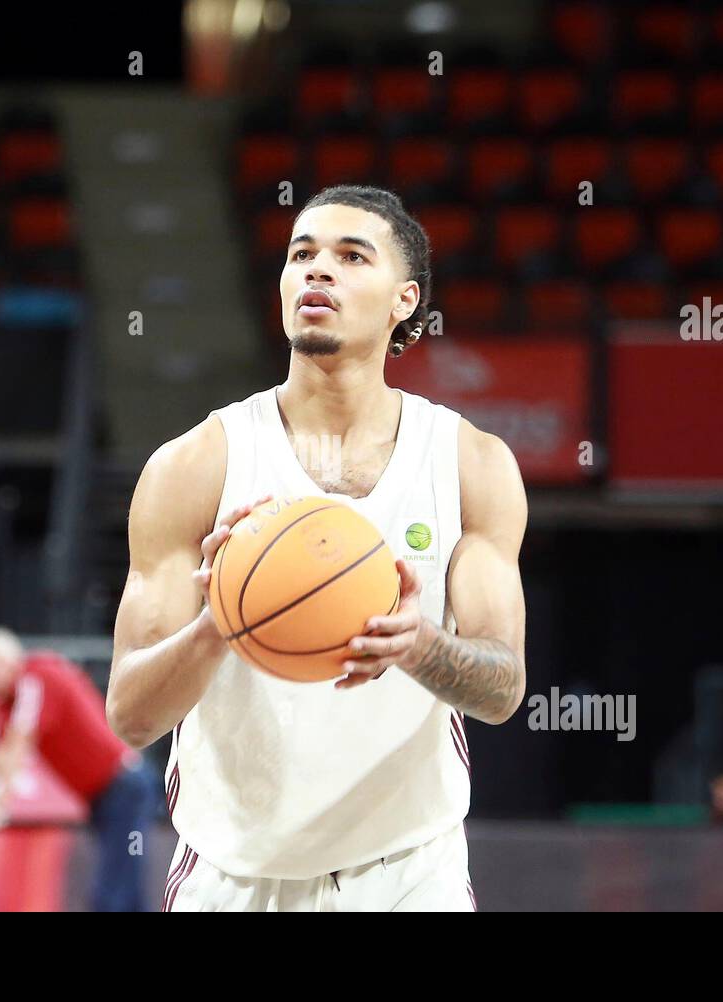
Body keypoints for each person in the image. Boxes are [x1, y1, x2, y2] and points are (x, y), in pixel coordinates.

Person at [108, 185, 528, 912]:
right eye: (301, 254)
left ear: (405, 300)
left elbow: (502, 690)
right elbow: (131, 715)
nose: (316, 271)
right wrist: (216, 627)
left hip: (407, 868)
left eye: (349, 256)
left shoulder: (470, 462)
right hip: (234, 869)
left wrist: (419, 646)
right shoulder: (195, 464)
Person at [0, 626, 158, 911]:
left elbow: (16, 751)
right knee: (124, 888)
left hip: (125, 786)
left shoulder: (36, 676)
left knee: (114, 892)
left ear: (4, 661)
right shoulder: (9, 702)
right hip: (105, 796)